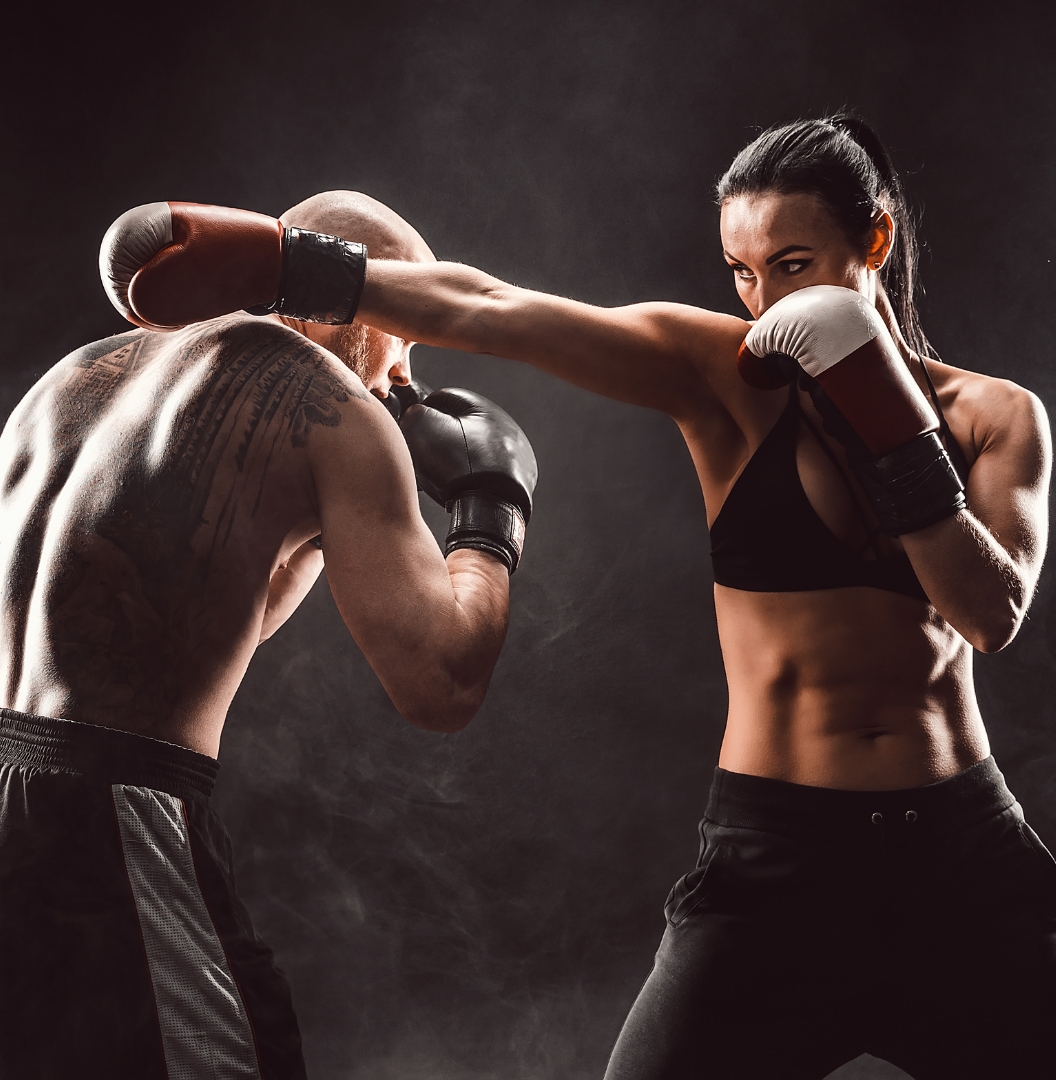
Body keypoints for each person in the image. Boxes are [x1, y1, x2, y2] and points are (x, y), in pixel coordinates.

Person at [99, 116, 1056, 1079]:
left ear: (875, 240)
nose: (765, 304)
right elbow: (495, 307)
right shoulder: (724, 378)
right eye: (741, 272)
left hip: (959, 858)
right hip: (777, 867)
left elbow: (989, 611)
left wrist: (884, 415)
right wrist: (284, 264)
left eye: (793, 266)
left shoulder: (996, 416)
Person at [0, 191, 537, 1080]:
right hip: (114, 816)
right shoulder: (330, 411)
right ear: (356, 295)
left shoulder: (78, 377)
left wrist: (320, 528)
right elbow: (441, 686)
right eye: (405, 332)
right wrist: (489, 512)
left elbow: (198, 629)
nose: (403, 376)